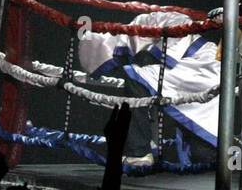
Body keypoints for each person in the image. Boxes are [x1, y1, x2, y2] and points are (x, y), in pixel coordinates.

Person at [77, 10, 220, 167]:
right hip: (191, 71)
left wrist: (150, 56)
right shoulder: (137, 39)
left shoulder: (145, 22)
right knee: (203, 155)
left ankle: (139, 152)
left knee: (135, 79)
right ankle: (144, 150)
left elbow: (182, 25)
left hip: (198, 65)